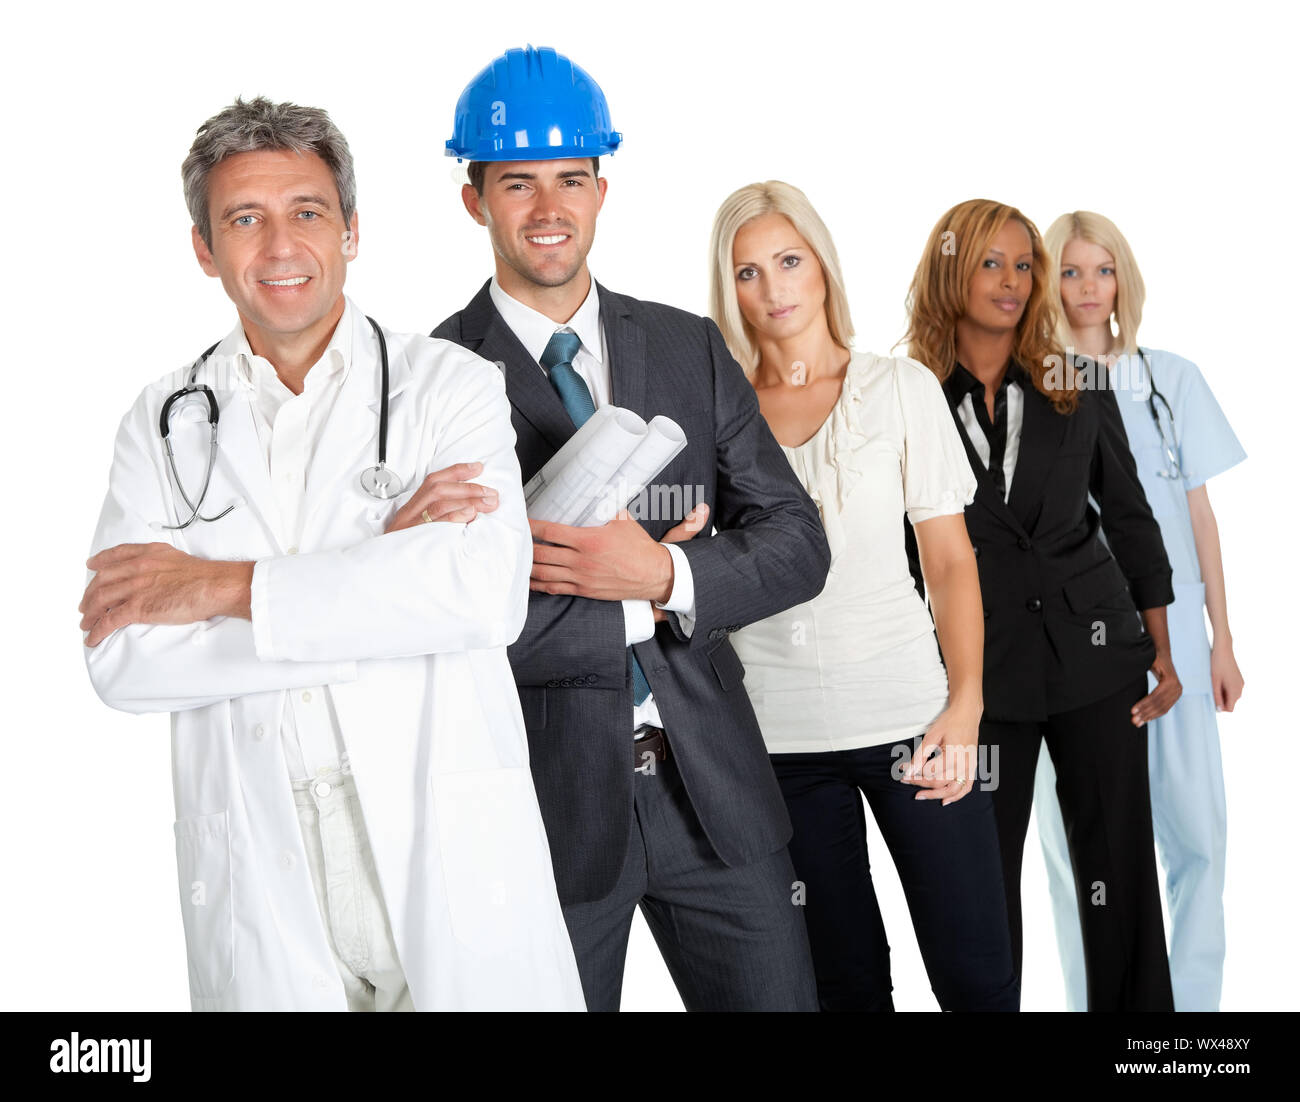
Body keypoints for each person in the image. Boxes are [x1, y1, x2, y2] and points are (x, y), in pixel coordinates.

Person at [79, 96, 584, 1011]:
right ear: (205, 249)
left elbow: (479, 596)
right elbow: (120, 659)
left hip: (441, 840)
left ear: (351, 232)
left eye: (307, 212)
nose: (280, 246)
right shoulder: (160, 423)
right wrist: (377, 577)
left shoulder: (452, 387)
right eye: (244, 219)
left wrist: (216, 587)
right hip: (262, 859)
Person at [432, 47, 830, 1012]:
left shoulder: (686, 344)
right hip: (546, 811)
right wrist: (625, 601)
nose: (547, 207)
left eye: (571, 178)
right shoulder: (434, 377)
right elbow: (443, 622)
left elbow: (796, 543)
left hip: (717, 801)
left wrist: (664, 576)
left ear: (603, 189)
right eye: (516, 183)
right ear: (473, 200)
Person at [708, 181, 1018, 1011]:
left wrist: (966, 707)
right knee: (844, 981)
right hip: (778, 742)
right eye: (747, 273)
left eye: (788, 261)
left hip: (916, 725)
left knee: (978, 970)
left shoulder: (899, 387)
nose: (773, 289)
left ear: (822, 267)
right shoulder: (718, 411)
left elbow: (950, 562)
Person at [902, 199, 1180, 1011]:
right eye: (991, 263)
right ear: (951, 270)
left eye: (1025, 265)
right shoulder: (906, 392)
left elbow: (1129, 519)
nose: (1014, 281)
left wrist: (1160, 649)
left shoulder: (1075, 381)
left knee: (1118, 875)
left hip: (1097, 662)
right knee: (983, 887)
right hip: (979, 677)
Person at [1032, 210, 1246, 1011]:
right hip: (1073, 637)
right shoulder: (1034, 387)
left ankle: (1188, 1016)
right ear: (1049, 282)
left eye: (1103, 269)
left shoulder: (1170, 378)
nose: (1089, 288)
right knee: (1078, 849)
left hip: (1176, 626)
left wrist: (1222, 642)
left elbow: (1199, 519)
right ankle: (1099, 1004)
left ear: (1124, 279)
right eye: (1070, 271)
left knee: (1197, 834)